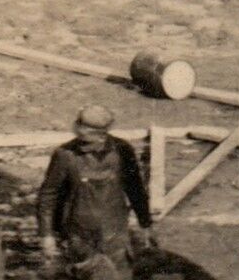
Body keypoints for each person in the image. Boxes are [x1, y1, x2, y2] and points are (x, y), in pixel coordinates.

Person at [36, 105, 156, 278]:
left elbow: (135, 188)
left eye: (87, 139)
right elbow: (48, 195)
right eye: (80, 135)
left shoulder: (122, 151)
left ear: (102, 135)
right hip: (79, 234)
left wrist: (145, 223)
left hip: (115, 234)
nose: (82, 144)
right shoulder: (65, 154)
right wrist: (46, 235)